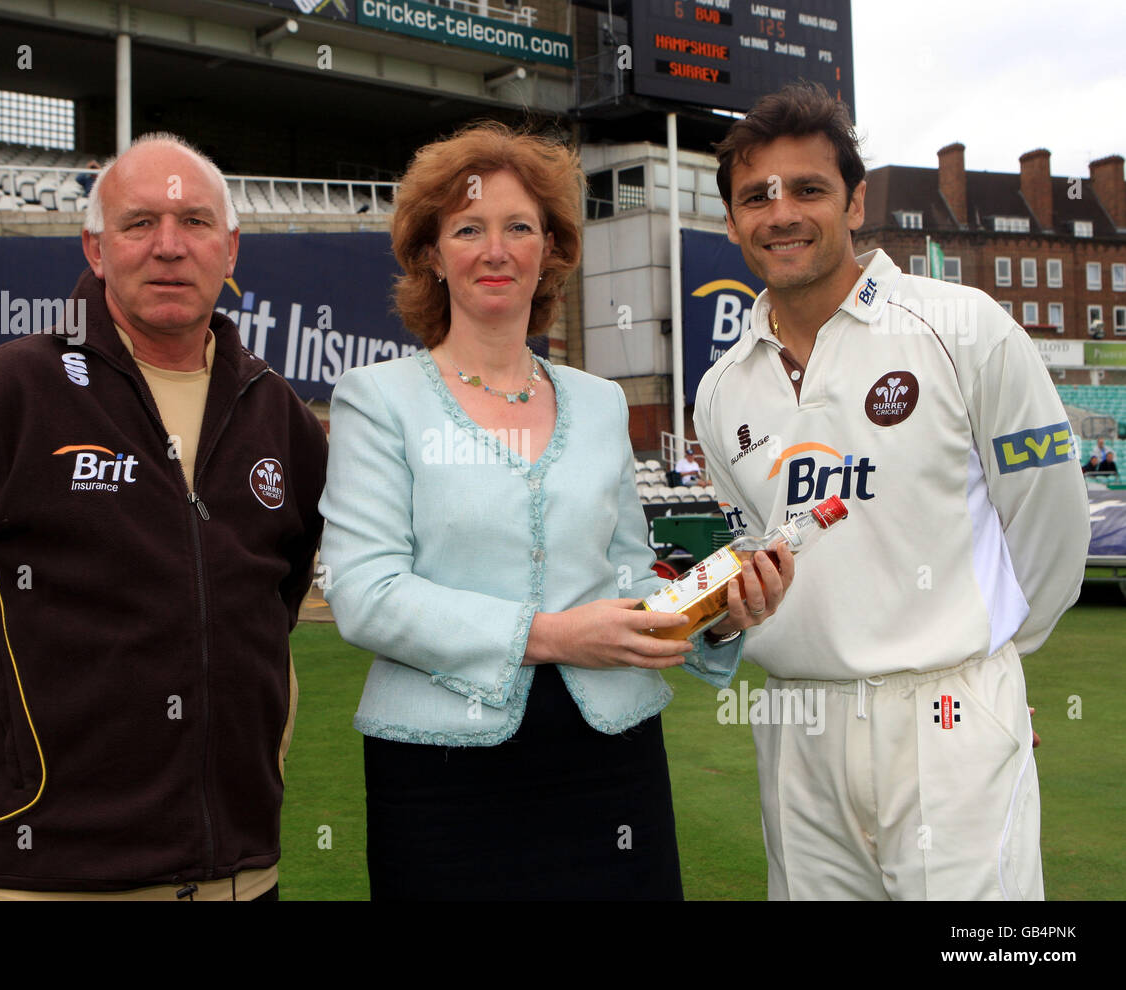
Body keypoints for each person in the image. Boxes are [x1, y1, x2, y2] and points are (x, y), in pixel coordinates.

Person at [318, 122, 792, 900]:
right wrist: (552, 636)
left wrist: (722, 614)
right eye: (468, 228)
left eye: (519, 228)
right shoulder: (378, 400)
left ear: (550, 251)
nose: (495, 250)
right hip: (441, 778)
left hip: (612, 763)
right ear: (432, 254)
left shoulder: (600, 402)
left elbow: (631, 573)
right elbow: (365, 594)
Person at [0, 132, 327, 901]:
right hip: (55, 873)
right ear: (95, 246)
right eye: (140, 223)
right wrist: (19, 721)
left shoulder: (279, 414)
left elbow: (271, 603)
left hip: (242, 871)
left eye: (195, 223)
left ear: (232, 248)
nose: (170, 247)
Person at [696, 82, 1090, 900]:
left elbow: (1051, 528)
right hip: (796, 723)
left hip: (949, 715)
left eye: (808, 189)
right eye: (756, 197)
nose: (782, 214)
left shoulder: (966, 327)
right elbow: (751, 549)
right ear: (732, 222)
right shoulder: (721, 390)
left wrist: (993, 676)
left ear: (855, 201)